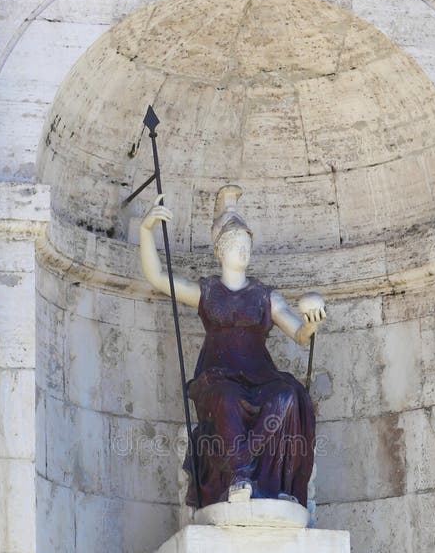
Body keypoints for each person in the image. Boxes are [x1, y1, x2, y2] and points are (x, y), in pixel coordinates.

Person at [139, 185, 326, 509]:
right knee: (226, 399)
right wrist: (145, 231)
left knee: (288, 397)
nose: (242, 250)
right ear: (220, 250)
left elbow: (299, 335)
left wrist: (312, 322)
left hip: (259, 373)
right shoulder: (207, 291)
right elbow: (158, 278)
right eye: (235, 243)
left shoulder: (266, 296)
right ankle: (240, 475)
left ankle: (262, 477)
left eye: (246, 244)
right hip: (218, 375)